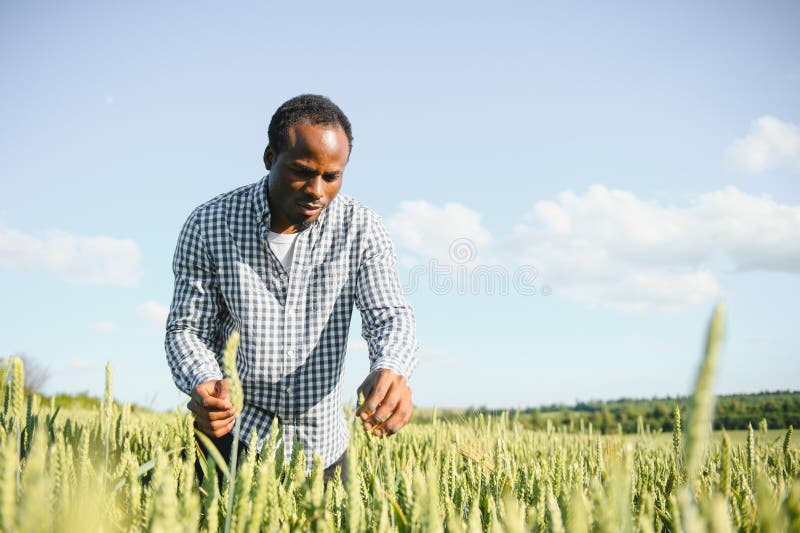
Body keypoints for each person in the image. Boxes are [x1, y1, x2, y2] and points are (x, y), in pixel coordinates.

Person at [165, 94, 419, 484]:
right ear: (270, 157)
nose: (317, 190)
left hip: (323, 451)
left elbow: (389, 314)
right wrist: (203, 381)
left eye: (331, 177)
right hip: (232, 439)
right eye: (302, 172)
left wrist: (391, 367)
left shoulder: (362, 228)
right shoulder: (208, 224)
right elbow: (187, 328)